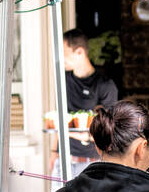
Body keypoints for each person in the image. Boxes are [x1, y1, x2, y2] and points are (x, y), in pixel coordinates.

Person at [47, 28, 118, 179]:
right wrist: (54, 153)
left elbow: (106, 132)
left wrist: (74, 133)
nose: (60, 57)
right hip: (63, 160)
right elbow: (59, 117)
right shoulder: (63, 80)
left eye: (64, 52)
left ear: (79, 52)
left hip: (91, 163)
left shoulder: (105, 85)